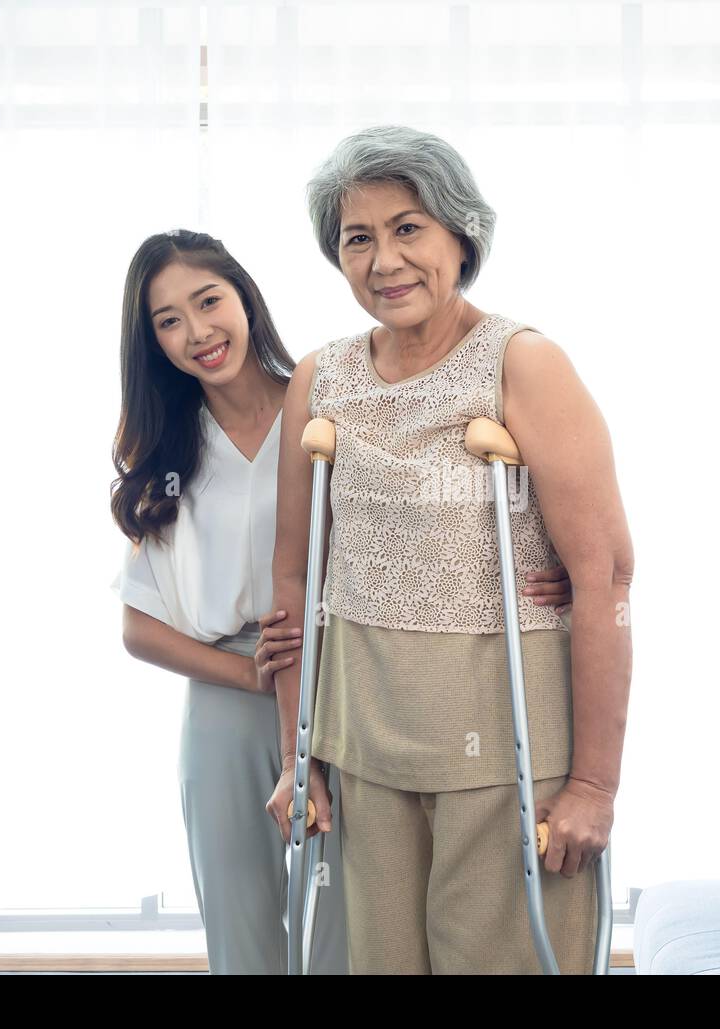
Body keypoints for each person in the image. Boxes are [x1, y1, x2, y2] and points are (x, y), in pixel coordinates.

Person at [109, 228, 576, 974]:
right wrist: (251, 676)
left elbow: (427, 517)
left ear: (243, 299)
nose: (196, 331)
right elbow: (137, 627)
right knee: (245, 932)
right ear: (153, 341)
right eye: (168, 320)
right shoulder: (170, 450)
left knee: (342, 929)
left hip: (342, 687)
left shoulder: (328, 395)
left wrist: (553, 565)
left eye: (207, 301)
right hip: (230, 702)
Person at [266, 126, 634, 974]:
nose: (385, 260)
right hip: (367, 747)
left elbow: (606, 572)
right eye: (358, 238)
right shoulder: (321, 381)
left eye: (408, 228)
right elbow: (295, 575)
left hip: (503, 748)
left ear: (460, 236)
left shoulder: (523, 363)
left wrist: (594, 786)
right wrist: (300, 756)